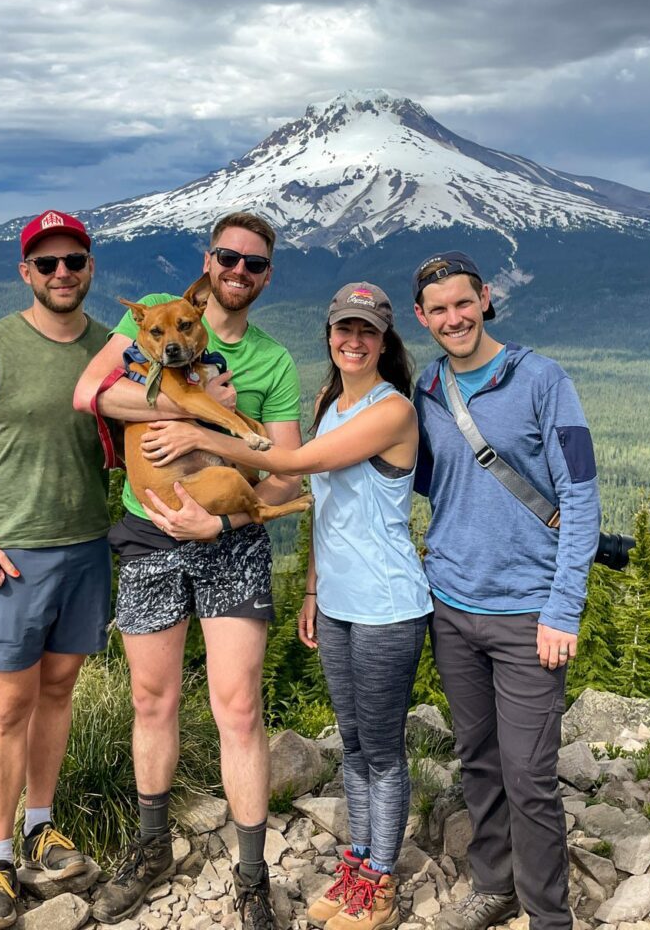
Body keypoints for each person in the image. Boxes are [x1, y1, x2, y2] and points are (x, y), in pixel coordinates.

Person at [139, 282, 428, 930]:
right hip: (340, 602)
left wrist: (197, 439)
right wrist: (313, 589)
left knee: (381, 750)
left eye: (367, 332)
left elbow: (294, 461)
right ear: (330, 334)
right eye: (343, 330)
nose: (353, 342)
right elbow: (323, 505)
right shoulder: (329, 401)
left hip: (387, 603)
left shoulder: (392, 412)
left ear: (385, 341)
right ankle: (358, 861)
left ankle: (379, 883)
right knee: (353, 745)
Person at [71, 211, 303, 930]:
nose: (239, 271)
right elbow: (90, 393)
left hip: (227, 536)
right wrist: (188, 403)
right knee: (152, 700)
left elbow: (285, 469)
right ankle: (150, 849)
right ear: (207, 267)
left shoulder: (272, 361)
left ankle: (253, 875)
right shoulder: (144, 330)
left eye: (254, 265)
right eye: (229, 258)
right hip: (147, 532)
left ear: (263, 279)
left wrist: (223, 515)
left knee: (237, 708)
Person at [0, 211, 113, 930]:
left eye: (74, 261)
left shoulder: (112, 347)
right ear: (26, 274)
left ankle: (42, 824)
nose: (62, 273)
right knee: (9, 705)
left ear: (90, 267)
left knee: (60, 689)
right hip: (14, 553)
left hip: (87, 546)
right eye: (48, 264)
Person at [409, 251, 600, 930]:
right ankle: (495, 884)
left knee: (529, 776)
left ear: (486, 298)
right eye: (439, 310)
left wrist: (563, 605)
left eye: (464, 303)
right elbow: (425, 479)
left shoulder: (544, 380)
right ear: (422, 318)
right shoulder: (427, 390)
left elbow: (580, 492)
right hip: (452, 605)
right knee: (479, 760)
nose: (454, 318)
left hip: (529, 612)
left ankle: (550, 915)